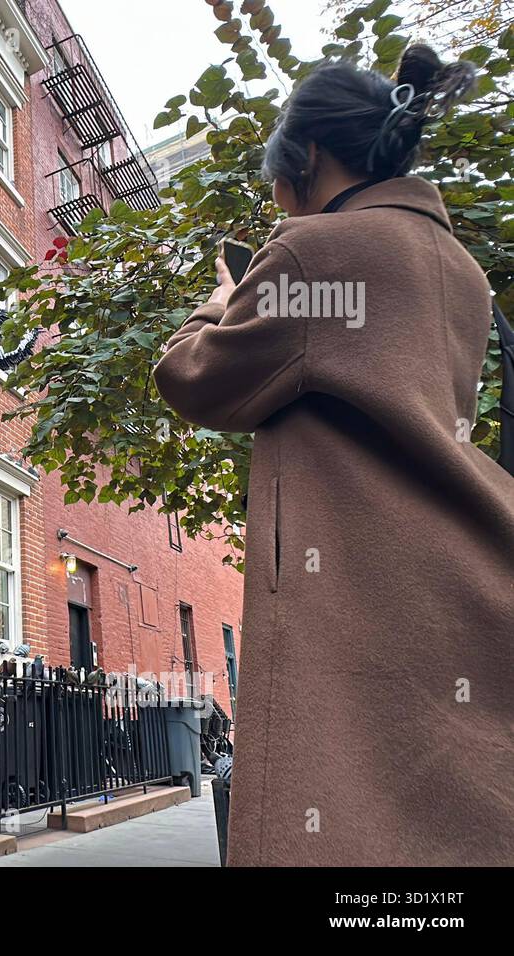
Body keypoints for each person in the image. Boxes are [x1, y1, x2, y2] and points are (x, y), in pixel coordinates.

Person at [153, 44, 514, 866]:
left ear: (308, 157)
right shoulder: (463, 272)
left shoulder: (315, 250)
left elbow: (194, 379)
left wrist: (215, 304)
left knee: (338, 815)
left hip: (358, 578)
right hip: (464, 569)